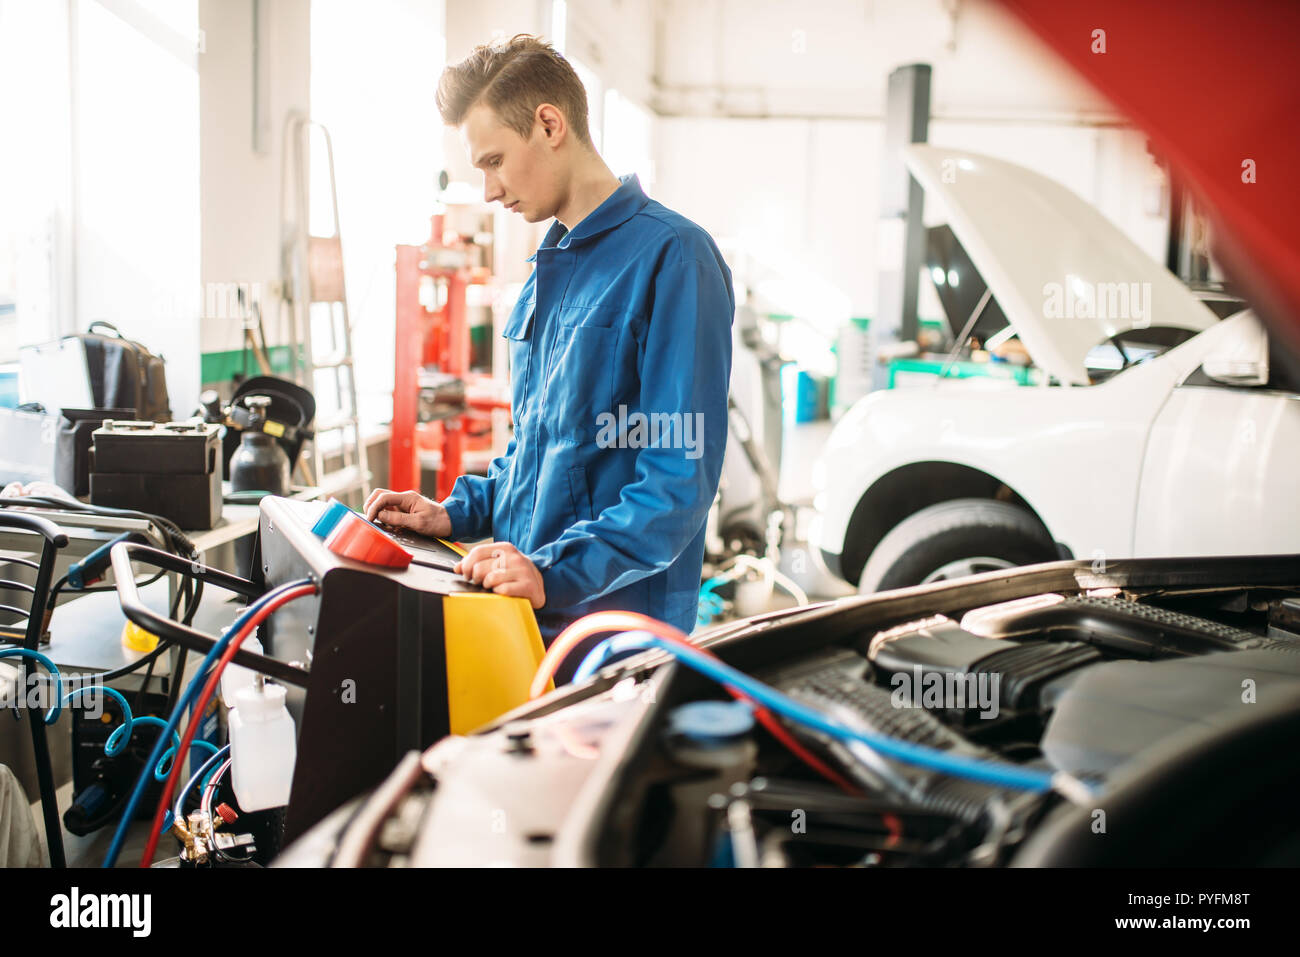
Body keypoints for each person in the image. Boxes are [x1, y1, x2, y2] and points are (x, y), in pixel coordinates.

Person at [365, 34, 733, 681]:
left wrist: (555, 570)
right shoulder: (547, 269)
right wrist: (455, 510)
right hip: (528, 612)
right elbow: (537, 453)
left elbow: (677, 482)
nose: (488, 190)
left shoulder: (672, 257)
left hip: (613, 634)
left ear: (549, 123)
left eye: (495, 161)